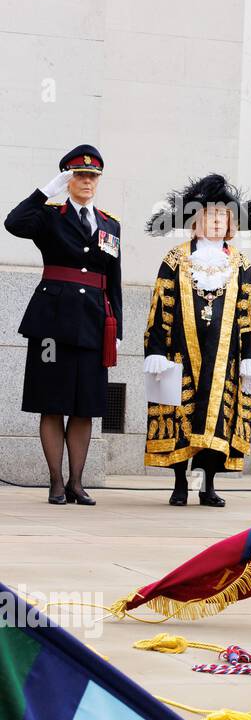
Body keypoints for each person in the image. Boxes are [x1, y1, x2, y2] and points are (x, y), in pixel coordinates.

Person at [4, 146, 122, 506]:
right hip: (52, 322)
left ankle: (76, 481)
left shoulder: (109, 223)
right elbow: (12, 223)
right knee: (52, 402)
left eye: (92, 176)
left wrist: (115, 326)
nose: (86, 181)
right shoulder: (48, 216)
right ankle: (55, 482)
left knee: (85, 405)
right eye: (79, 175)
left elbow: (112, 277)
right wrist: (45, 191)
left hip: (92, 322)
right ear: (68, 179)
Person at [142, 175, 251, 506]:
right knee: (181, 415)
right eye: (209, 216)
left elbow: (249, 314)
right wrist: (155, 350)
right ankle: (180, 483)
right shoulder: (176, 259)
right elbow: (160, 306)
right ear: (195, 221)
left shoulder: (241, 263)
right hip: (180, 353)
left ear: (230, 222)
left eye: (222, 216)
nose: (215, 222)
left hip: (225, 359)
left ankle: (208, 484)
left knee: (218, 420)